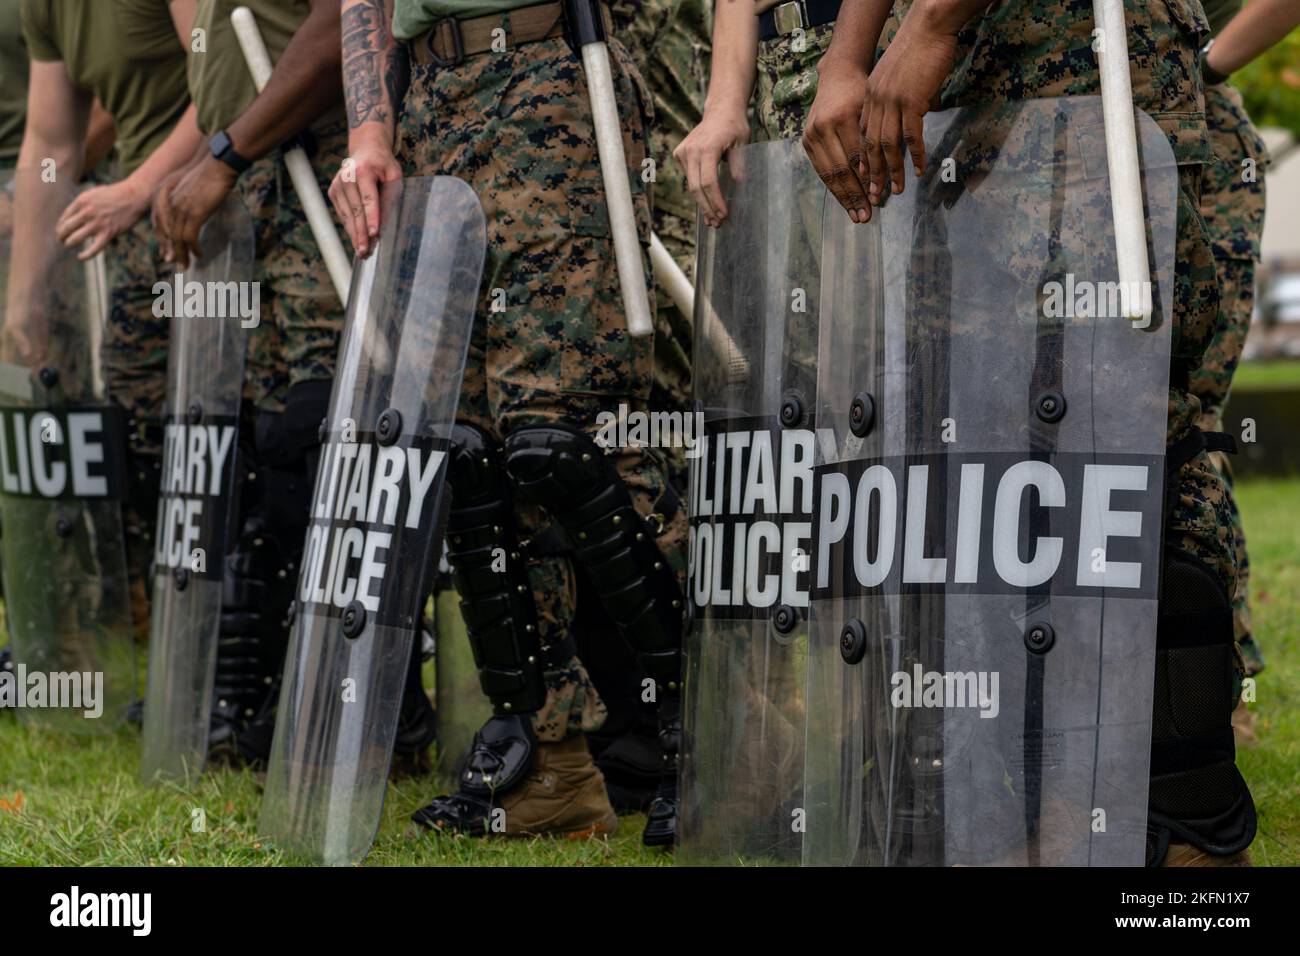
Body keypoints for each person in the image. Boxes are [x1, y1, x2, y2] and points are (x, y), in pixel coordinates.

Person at [806, 0, 1257, 867]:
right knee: (980, 426)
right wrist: (846, 60)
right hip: (957, 59)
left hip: (1084, 37)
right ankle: (1030, 810)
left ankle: (1174, 824)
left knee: (1117, 419)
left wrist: (929, 24)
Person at [330, 0, 689, 845]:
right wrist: (371, 133)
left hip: (549, 76)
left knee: (567, 439)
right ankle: (550, 760)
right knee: (475, 450)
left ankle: (723, 730)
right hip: (431, 106)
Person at [149, 0, 410, 767]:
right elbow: (222, 70)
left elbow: (341, 24)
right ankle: (286, 692)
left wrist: (225, 153)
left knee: (329, 432)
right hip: (256, 185)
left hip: (319, 173)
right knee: (275, 447)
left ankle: (371, 700)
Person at [13, 0, 204, 641]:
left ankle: (241, 659)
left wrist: (138, 187)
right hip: (143, 221)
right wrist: (24, 294)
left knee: (231, 428)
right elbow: (50, 145)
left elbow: (224, 84)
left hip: (222, 202)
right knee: (137, 423)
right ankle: (176, 642)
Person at [1196, 0, 1300, 742]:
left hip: (1198, 139)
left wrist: (1200, 67)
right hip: (1095, 137)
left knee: (1184, 428)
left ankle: (1225, 693)